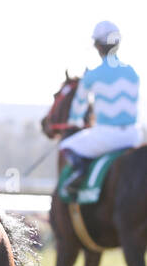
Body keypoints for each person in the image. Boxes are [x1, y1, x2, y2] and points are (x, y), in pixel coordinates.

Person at [59, 21, 140, 191]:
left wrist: (77, 122)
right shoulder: (133, 72)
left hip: (106, 136)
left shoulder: (93, 75)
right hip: (134, 136)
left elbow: (76, 113)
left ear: (97, 46)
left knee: (66, 146)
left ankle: (79, 175)